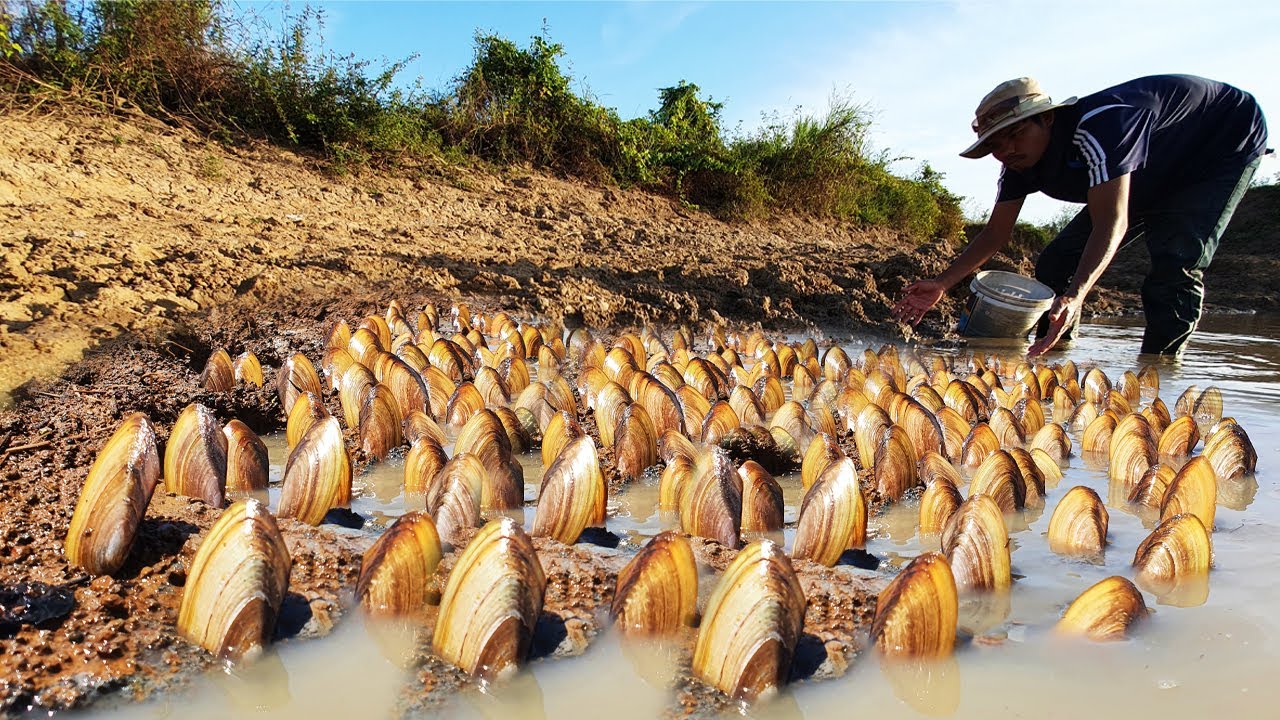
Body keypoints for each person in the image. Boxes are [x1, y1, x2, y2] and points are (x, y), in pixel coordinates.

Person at [891, 74, 1269, 356]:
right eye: (995, 145)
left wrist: (1076, 294)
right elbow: (995, 234)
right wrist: (942, 283)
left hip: (1219, 143)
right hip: (1144, 167)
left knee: (1175, 262)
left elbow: (1111, 223)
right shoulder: (1017, 163)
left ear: (1047, 119)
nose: (1006, 151)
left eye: (1015, 134)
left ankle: (1160, 373)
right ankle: (1055, 353)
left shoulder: (1101, 128)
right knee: (1056, 261)